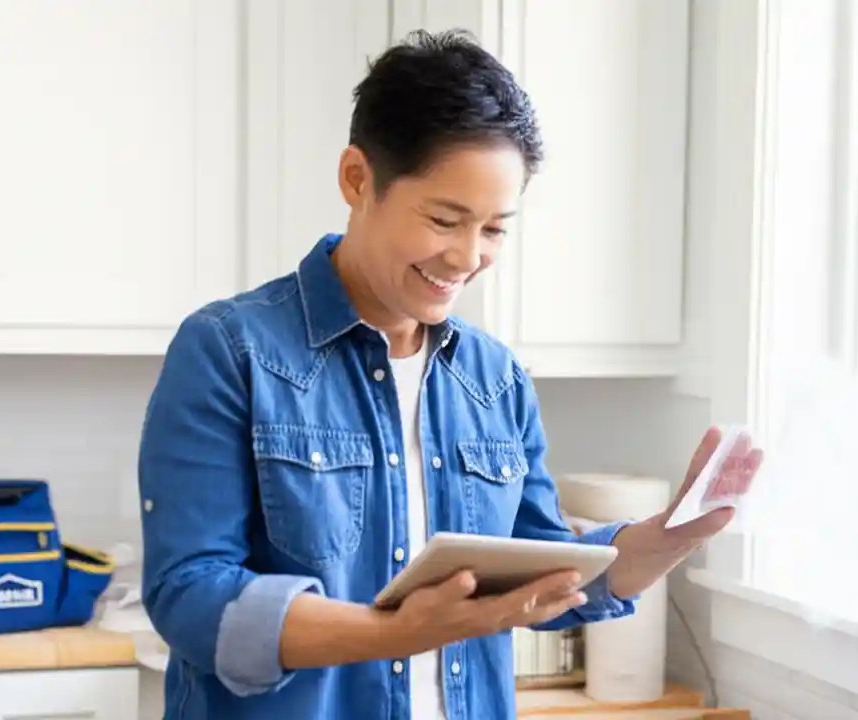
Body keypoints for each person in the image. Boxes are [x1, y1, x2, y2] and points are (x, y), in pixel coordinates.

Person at [137, 29, 762, 720]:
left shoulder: (495, 378)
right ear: (356, 179)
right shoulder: (230, 351)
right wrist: (398, 634)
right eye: (444, 219)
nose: (468, 256)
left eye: (495, 229)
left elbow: (542, 575)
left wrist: (668, 538)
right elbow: (190, 597)